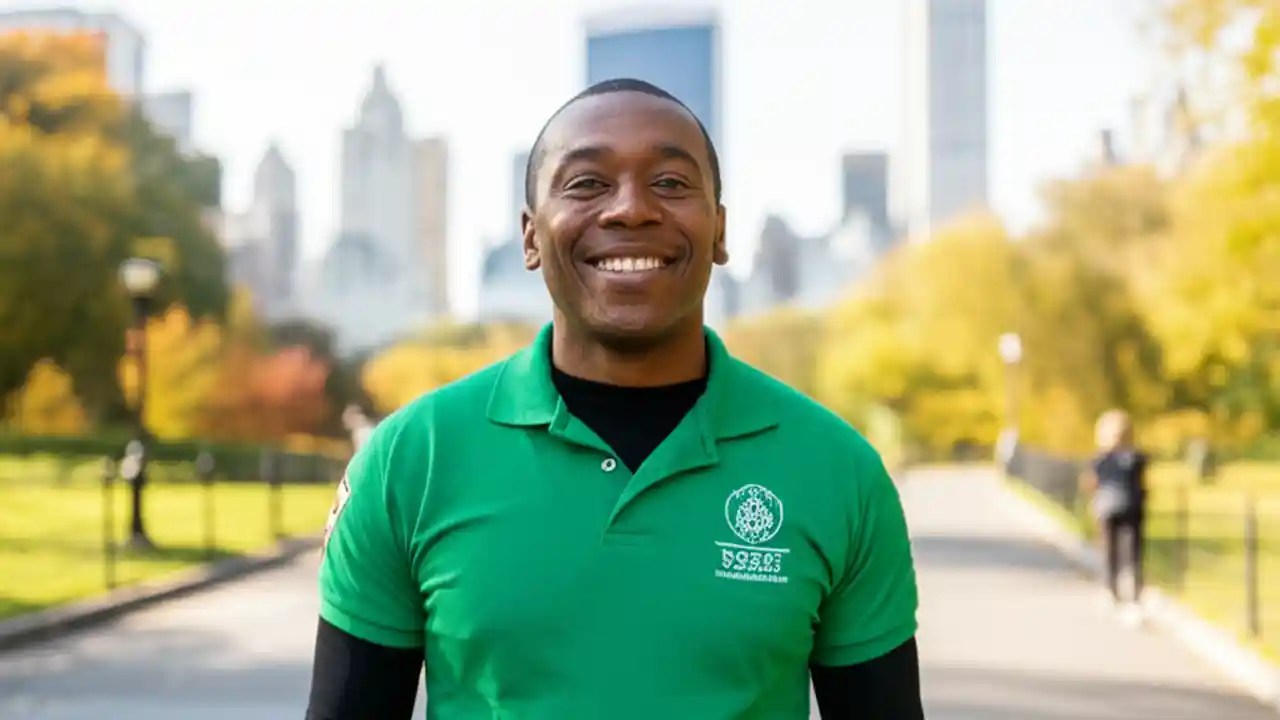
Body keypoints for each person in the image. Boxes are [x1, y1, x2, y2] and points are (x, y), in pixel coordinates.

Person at [306, 78, 923, 719]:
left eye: (671, 184)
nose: (630, 209)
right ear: (530, 237)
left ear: (718, 230)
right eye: (587, 183)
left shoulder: (839, 471)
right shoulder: (410, 460)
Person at [1085, 409, 1148, 625]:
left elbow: (1092, 484)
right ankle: (1134, 595)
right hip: (1132, 509)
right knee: (1133, 554)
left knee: (1110, 552)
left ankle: (1111, 591)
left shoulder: (1100, 460)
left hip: (1107, 509)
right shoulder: (1137, 458)